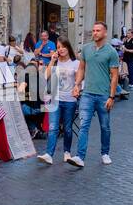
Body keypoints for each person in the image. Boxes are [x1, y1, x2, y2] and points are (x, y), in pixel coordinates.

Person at [67, 22, 120, 168]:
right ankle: (80, 157)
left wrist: (112, 96)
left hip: (104, 95)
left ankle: (105, 153)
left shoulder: (111, 52)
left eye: (98, 30)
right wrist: (77, 85)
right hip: (87, 94)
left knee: (105, 126)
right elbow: (81, 69)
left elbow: (115, 76)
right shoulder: (86, 49)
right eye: (93, 30)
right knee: (83, 125)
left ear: (105, 33)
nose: (95, 33)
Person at [37, 39, 79, 165]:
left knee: (67, 128)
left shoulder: (75, 63)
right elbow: (46, 76)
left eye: (63, 47)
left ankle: (67, 151)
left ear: (68, 48)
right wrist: (52, 60)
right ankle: (49, 155)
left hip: (70, 100)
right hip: (55, 99)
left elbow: (79, 81)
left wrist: (77, 89)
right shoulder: (55, 63)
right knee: (53, 127)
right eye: (59, 47)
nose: (61, 49)